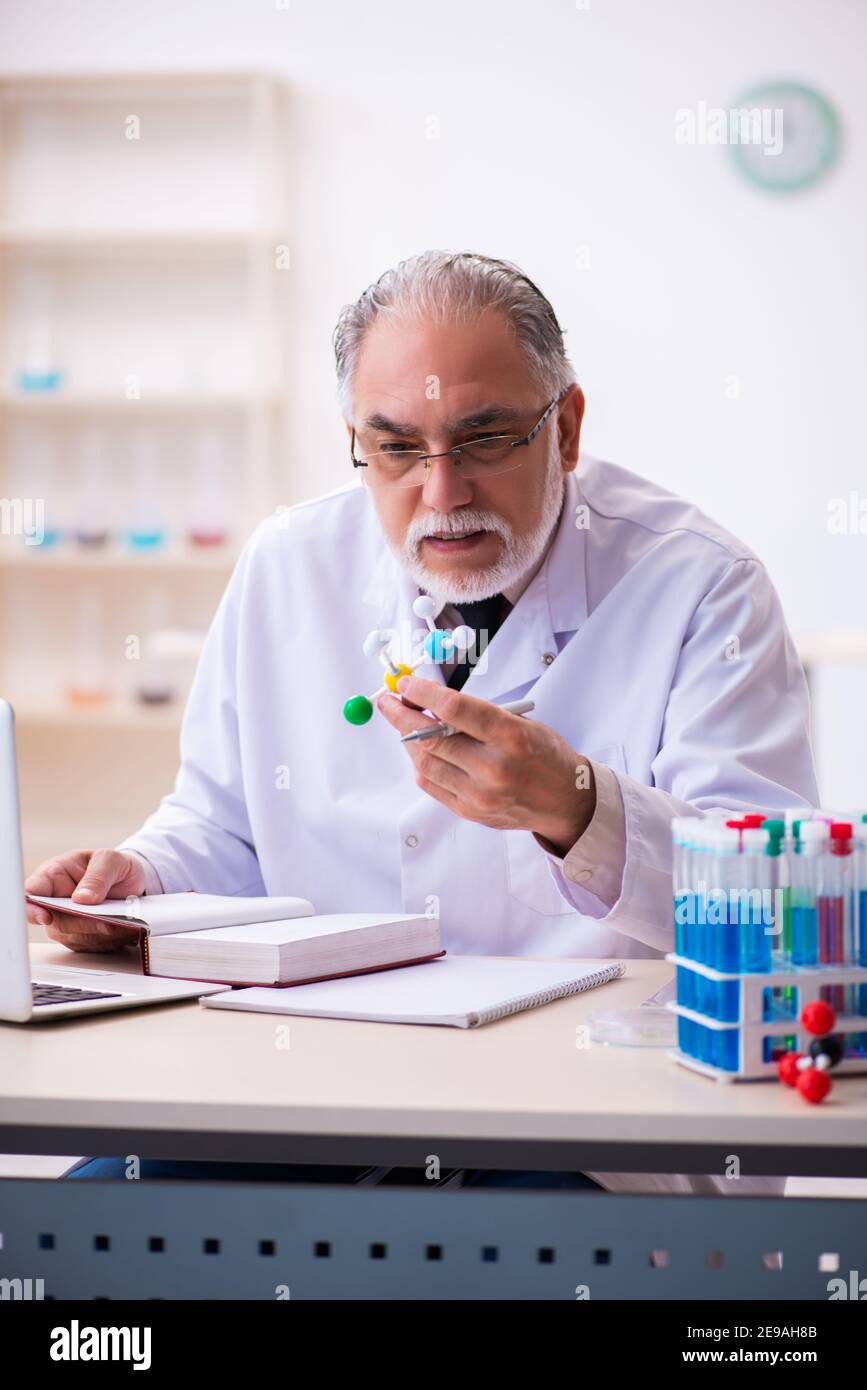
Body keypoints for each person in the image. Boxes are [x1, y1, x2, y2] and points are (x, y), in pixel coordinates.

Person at [28, 251, 816, 1194]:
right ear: (355, 440)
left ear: (563, 427)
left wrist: (581, 810)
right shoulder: (288, 564)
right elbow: (222, 823)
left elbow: (774, 919)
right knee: (89, 1219)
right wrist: (143, 878)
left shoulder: (699, 587)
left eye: (483, 440)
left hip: (582, 1121)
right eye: (396, 447)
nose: (442, 495)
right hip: (311, 1088)